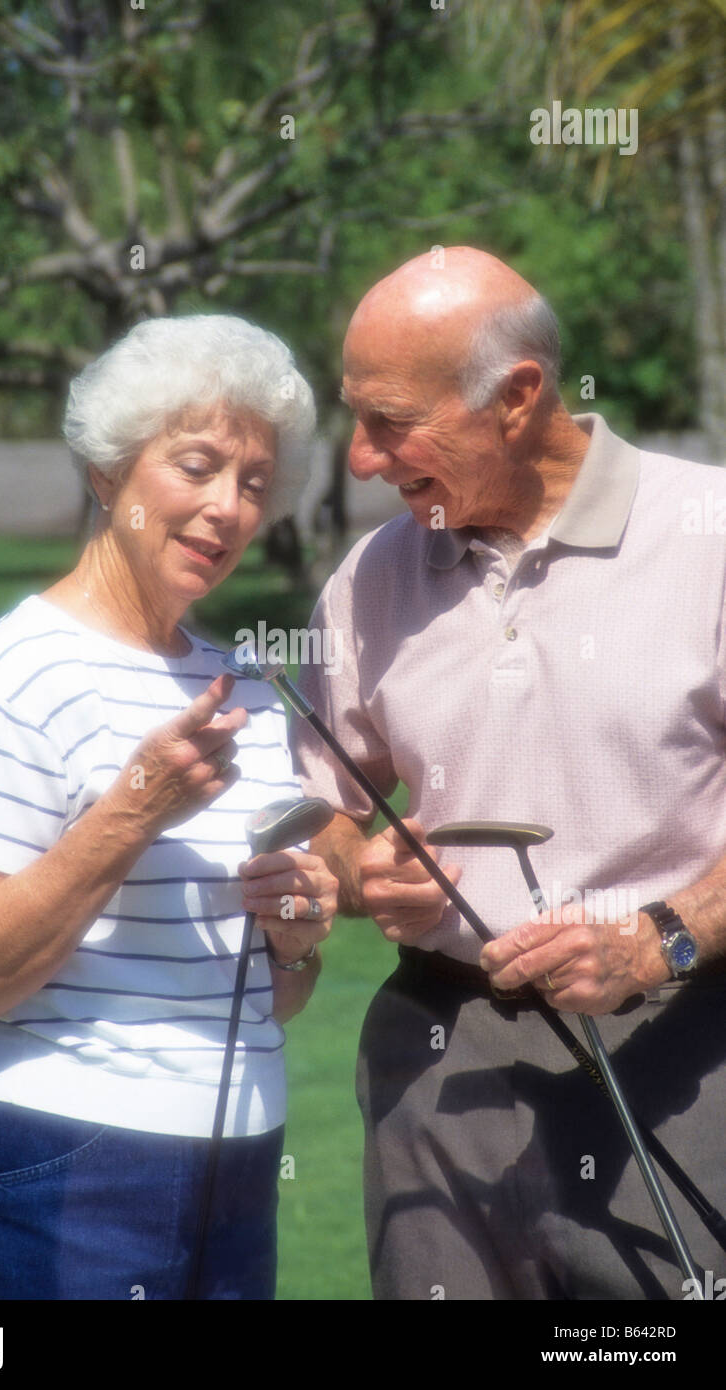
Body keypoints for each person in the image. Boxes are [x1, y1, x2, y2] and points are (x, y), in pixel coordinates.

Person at [291, 246, 726, 1300]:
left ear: (518, 397)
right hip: (435, 1061)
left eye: (391, 421)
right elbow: (315, 808)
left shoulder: (707, 536)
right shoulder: (370, 578)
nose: (359, 459)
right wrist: (355, 867)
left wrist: (658, 938)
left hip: (684, 1048)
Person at [0, 314, 338, 1301]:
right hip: (46, 1159)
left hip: (236, 1157)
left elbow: (278, 993)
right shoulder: (13, 671)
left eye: (254, 484)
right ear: (107, 474)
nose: (227, 508)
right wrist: (136, 806)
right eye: (196, 467)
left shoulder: (246, 688)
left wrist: (296, 932)